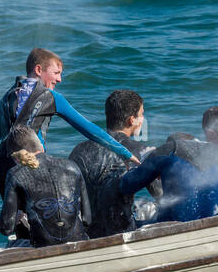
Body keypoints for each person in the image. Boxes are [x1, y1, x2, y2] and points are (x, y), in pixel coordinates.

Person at [0, 47, 135, 201]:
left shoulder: (5, 99)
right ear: (39, 70)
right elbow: (90, 130)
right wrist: (125, 153)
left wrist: (8, 164)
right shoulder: (51, 97)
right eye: (56, 73)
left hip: (4, 173)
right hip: (34, 170)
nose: (59, 79)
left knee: (16, 221)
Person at [69, 89, 161, 238]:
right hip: (121, 235)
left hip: (85, 235)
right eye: (142, 114)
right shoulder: (141, 152)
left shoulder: (79, 150)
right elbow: (161, 194)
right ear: (131, 120)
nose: (143, 119)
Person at [0, 128, 91, 247]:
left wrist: (17, 217)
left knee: (11, 245)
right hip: (79, 242)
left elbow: (6, 227)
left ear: (17, 158)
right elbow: (87, 220)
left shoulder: (15, 174)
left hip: (42, 247)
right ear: (40, 146)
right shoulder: (72, 166)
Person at [118, 132, 218, 224]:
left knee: (134, 223)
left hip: (176, 229)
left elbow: (126, 185)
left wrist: (129, 168)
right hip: (215, 225)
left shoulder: (168, 150)